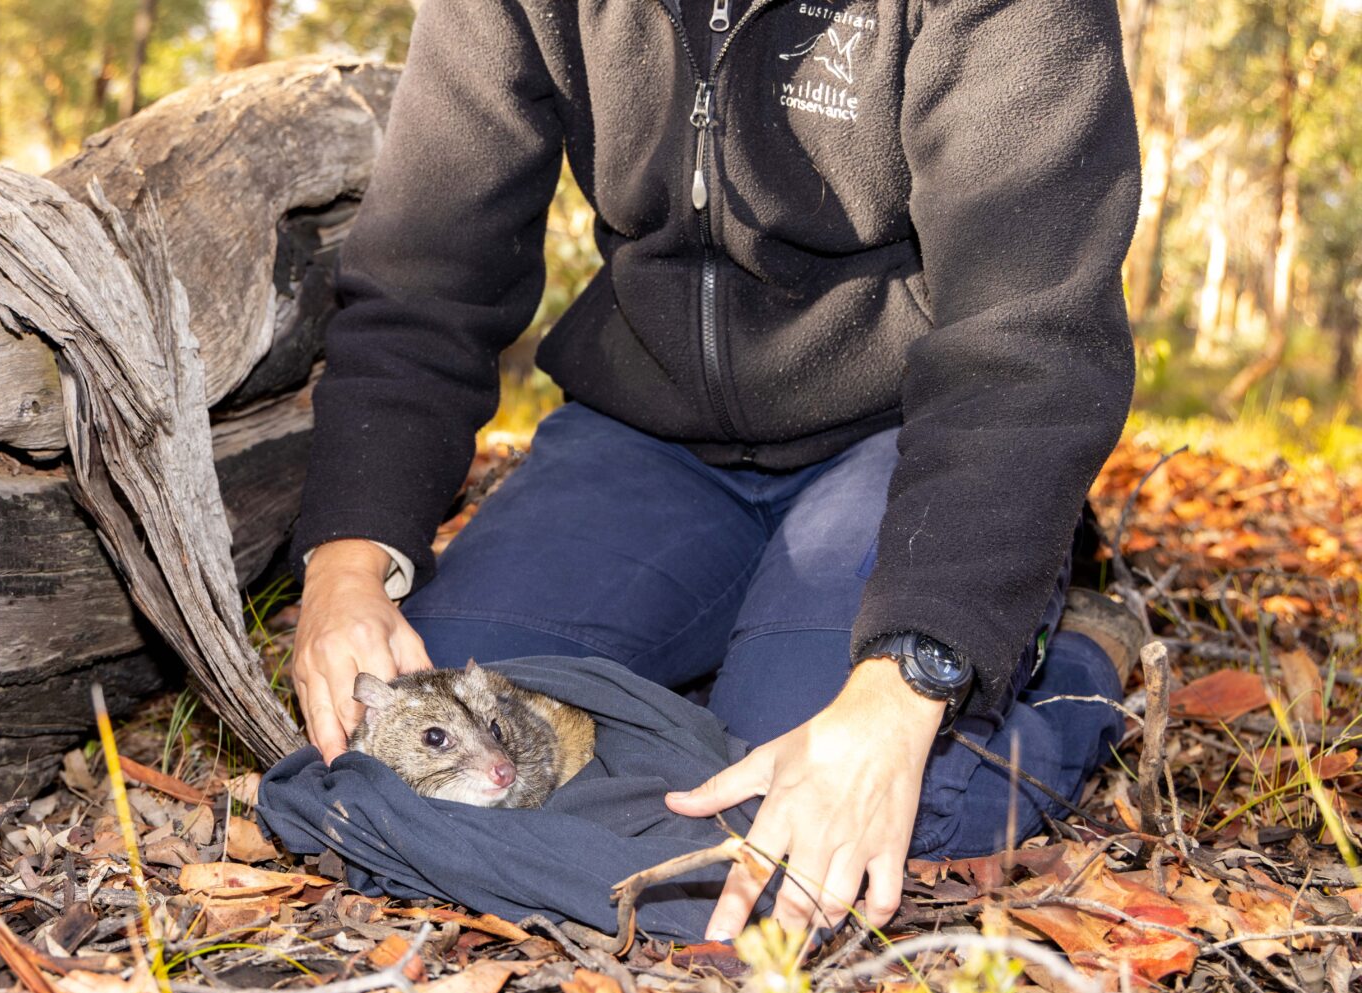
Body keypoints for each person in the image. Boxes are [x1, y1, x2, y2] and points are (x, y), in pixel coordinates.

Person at [289, 0, 1144, 941]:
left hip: (904, 442)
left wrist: (913, 674)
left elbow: (1031, 332)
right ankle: (737, 662)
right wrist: (347, 560)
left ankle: (1076, 659)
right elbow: (428, 265)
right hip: (645, 436)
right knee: (418, 740)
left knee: (822, 821)